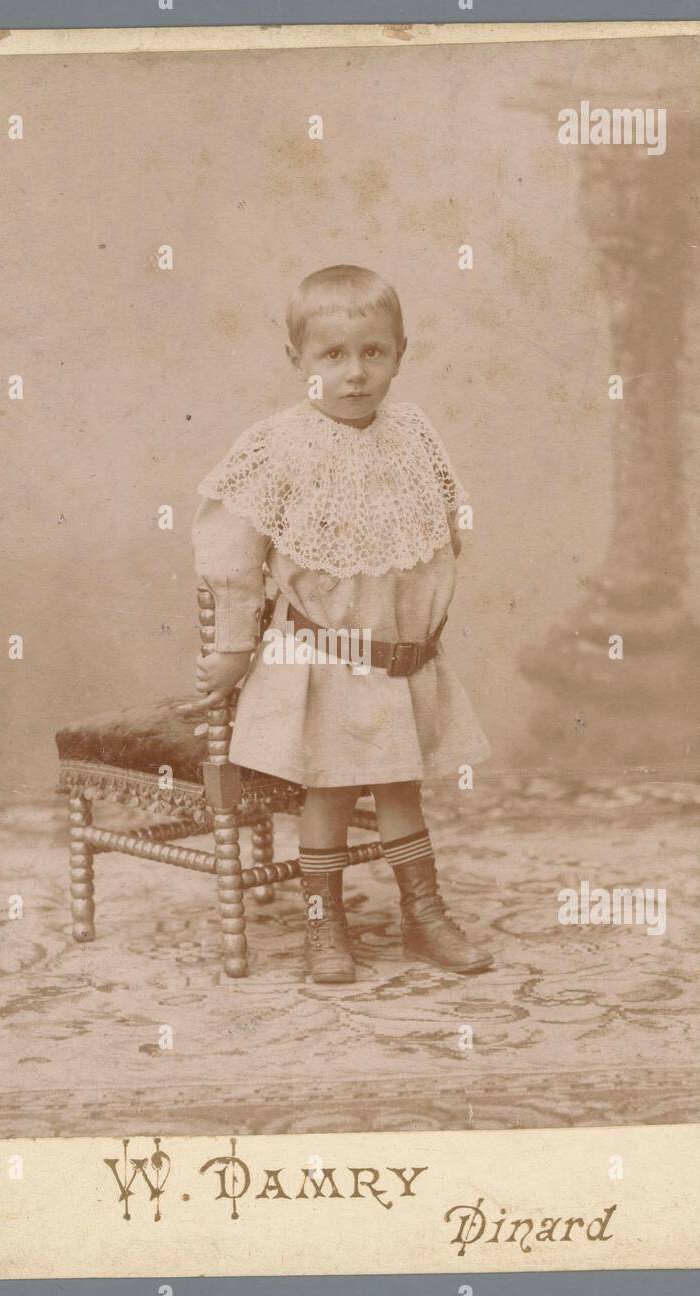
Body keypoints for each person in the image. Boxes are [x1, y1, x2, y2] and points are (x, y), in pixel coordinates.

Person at [191, 264, 493, 984]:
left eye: (372, 352)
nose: (354, 373)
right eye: (332, 355)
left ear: (400, 352)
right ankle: (323, 924)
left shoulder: (413, 434)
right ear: (297, 360)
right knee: (325, 789)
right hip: (321, 659)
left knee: (400, 789)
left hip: (397, 659)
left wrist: (418, 624)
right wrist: (234, 648)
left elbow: (443, 534)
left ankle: (423, 913)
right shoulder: (276, 446)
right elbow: (231, 559)